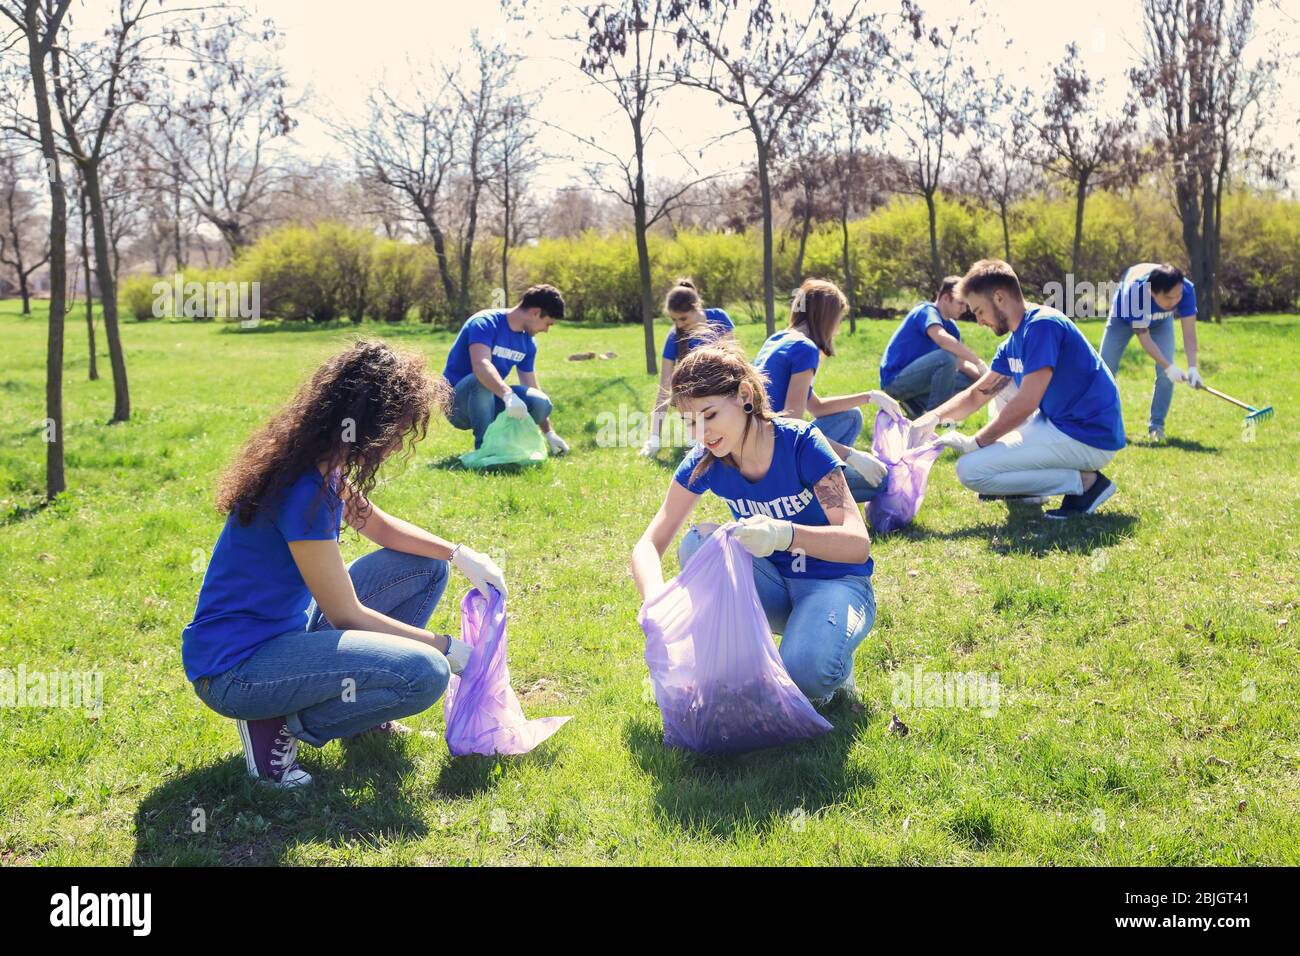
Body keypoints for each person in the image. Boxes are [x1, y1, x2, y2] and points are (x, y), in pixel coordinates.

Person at [182, 341, 508, 788]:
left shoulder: (320, 466)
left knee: (426, 567)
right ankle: (281, 722)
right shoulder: (305, 490)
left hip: (284, 637)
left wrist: (458, 553)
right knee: (424, 673)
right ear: (373, 422)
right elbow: (346, 614)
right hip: (238, 670)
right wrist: (449, 649)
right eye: (400, 429)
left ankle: (358, 711)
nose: (398, 443)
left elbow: (380, 527)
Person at [630, 341, 876, 706]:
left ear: (744, 395)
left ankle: (827, 652)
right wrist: (655, 602)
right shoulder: (705, 461)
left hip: (835, 583)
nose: (702, 434)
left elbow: (857, 543)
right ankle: (736, 661)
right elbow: (649, 544)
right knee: (699, 542)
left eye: (710, 415)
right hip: (770, 587)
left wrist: (783, 534)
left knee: (805, 675)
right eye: (689, 423)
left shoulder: (802, 442)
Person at [912, 259, 1126, 520]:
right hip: (1058, 423)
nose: (979, 321)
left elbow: (1026, 402)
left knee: (971, 470)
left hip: (1089, 436)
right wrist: (932, 417)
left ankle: (1086, 484)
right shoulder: (1013, 341)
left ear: (999, 298)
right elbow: (977, 393)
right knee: (993, 415)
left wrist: (977, 442)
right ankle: (1033, 489)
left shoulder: (1042, 325)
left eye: (979, 311)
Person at [753, 278, 900, 503]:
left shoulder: (778, 339)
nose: (838, 330)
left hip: (759, 450)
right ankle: (804, 495)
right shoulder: (805, 349)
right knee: (885, 481)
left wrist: (869, 397)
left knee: (851, 416)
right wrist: (852, 456)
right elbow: (792, 430)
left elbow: (817, 408)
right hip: (775, 460)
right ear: (826, 317)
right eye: (838, 320)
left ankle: (815, 482)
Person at [442, 284, 570, 455]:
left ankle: (508, 444)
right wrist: (508, 395)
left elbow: (531, 385)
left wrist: (549, 432)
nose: (546, 330)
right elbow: (481, 366)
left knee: (540, 402)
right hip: (456, 403)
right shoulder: (485, 323)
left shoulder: (528, 343)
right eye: (548, 324)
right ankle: (486, 451)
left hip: (491, 399)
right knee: (481, 379)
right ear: (535, 312)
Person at [1100, 262, 1202, 443]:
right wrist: (1169, 366)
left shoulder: (1185, 289)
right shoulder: (1135, 293)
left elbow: (1189, 332)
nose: (1175, 302)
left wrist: (1193, 367)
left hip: (1161, 322)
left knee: (1165, 375)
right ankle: (1103, 425)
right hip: (1122, 319)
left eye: (1178, 297)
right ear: (1152, 292)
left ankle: (1157, 427)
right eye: (1169, 298)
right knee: (1105, 369)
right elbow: (1144, 339)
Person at [640, 279, 735, 457]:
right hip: (696, 403)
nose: (679, 324)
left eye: (683, 318)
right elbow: (664, 388)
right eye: (674, 319)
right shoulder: (674, 337)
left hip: (725, 391)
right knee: (701, 446)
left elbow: (735, 361)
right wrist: (654, 438)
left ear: (696, 306)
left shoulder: (719, 317)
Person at [879, 276, 988, 415]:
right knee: (947, 358)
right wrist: (978, 362)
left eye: (966, 305)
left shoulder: (952, 328)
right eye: (961, 303)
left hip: (916, 380)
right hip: (894, 383)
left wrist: (990, 378)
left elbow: (961, 364)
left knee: (970, 378)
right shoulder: (925, 311)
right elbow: (941, 339)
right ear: (946, 298)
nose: (964, 309)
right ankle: (937, 416)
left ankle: (916, 404)